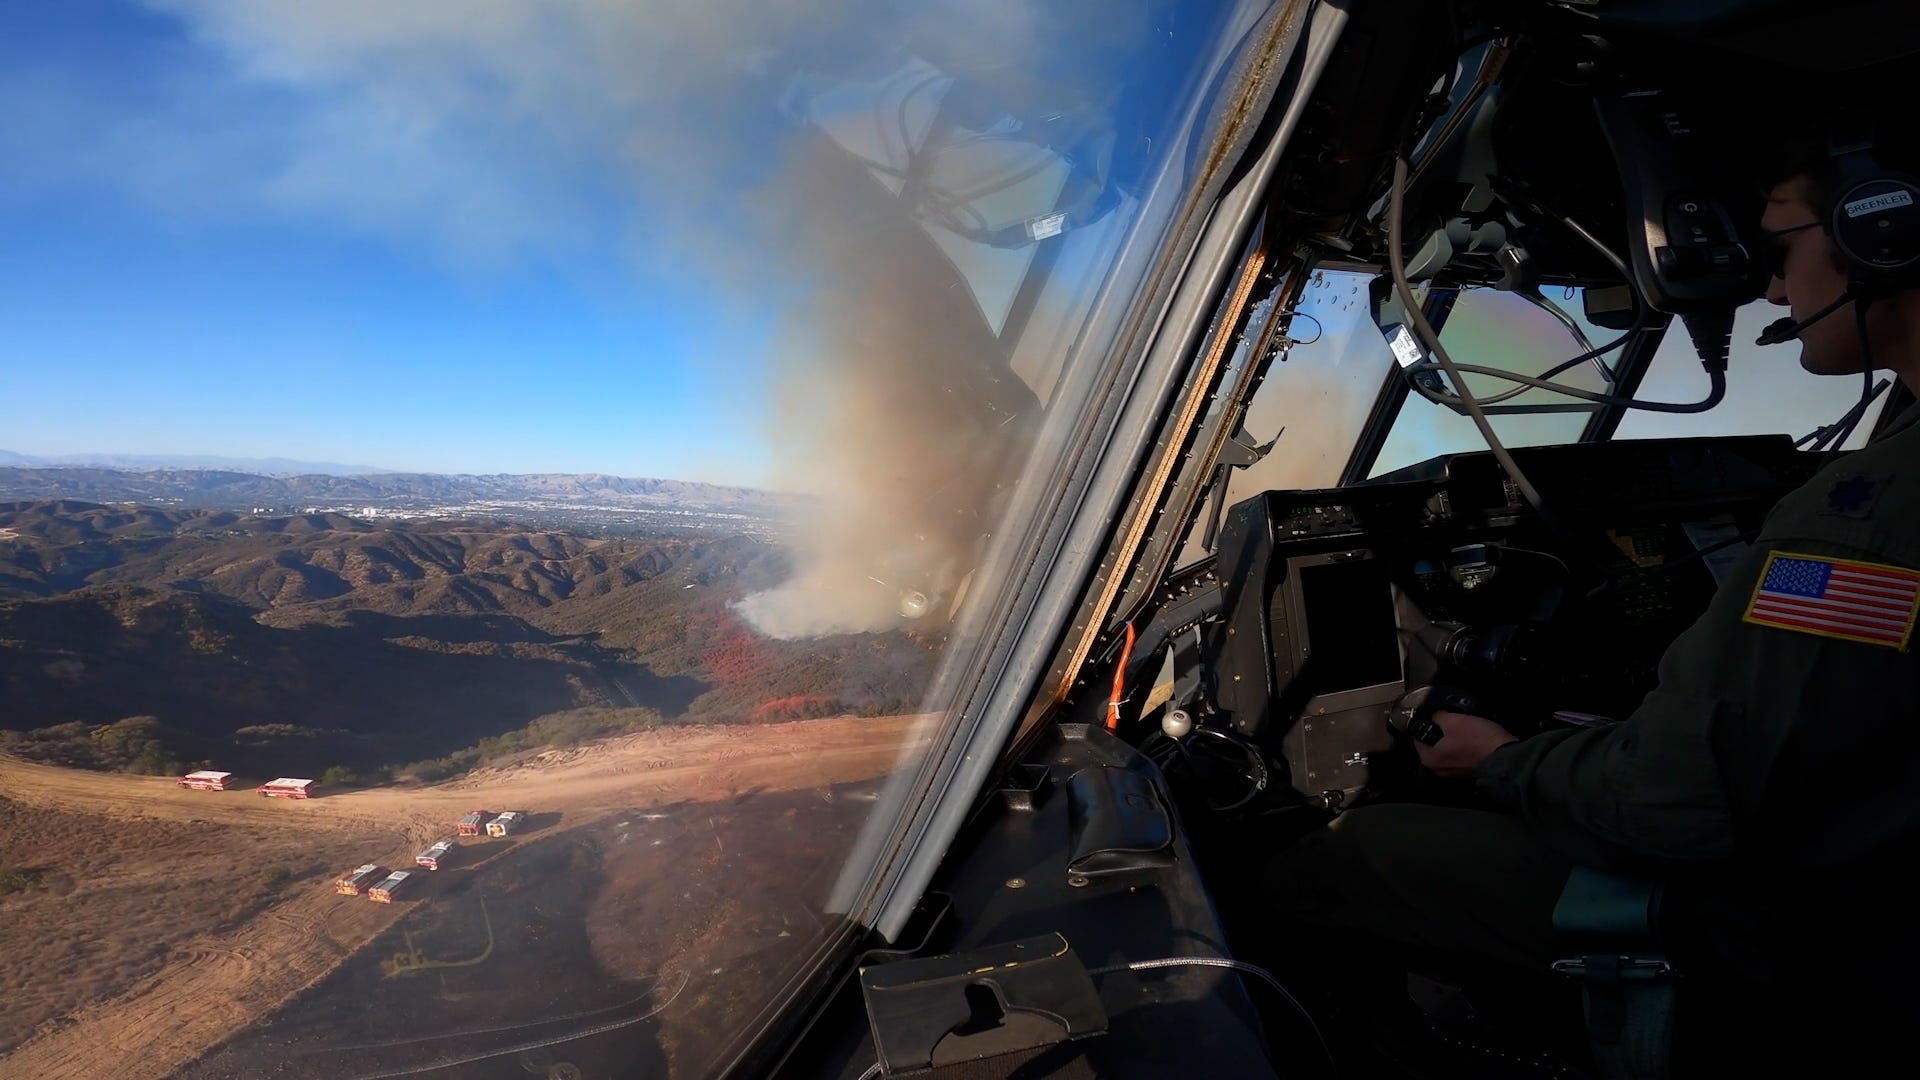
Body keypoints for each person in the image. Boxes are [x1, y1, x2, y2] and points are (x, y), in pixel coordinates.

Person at [1262, 113, 1920, 1054]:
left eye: (1782, 249)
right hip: (1876, 885)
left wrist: (1500, 759)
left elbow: (1670, 805)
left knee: (1346, 855)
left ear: (1884, 232)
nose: (1774, 288)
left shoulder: (1863, 518)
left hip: (1797, 927)